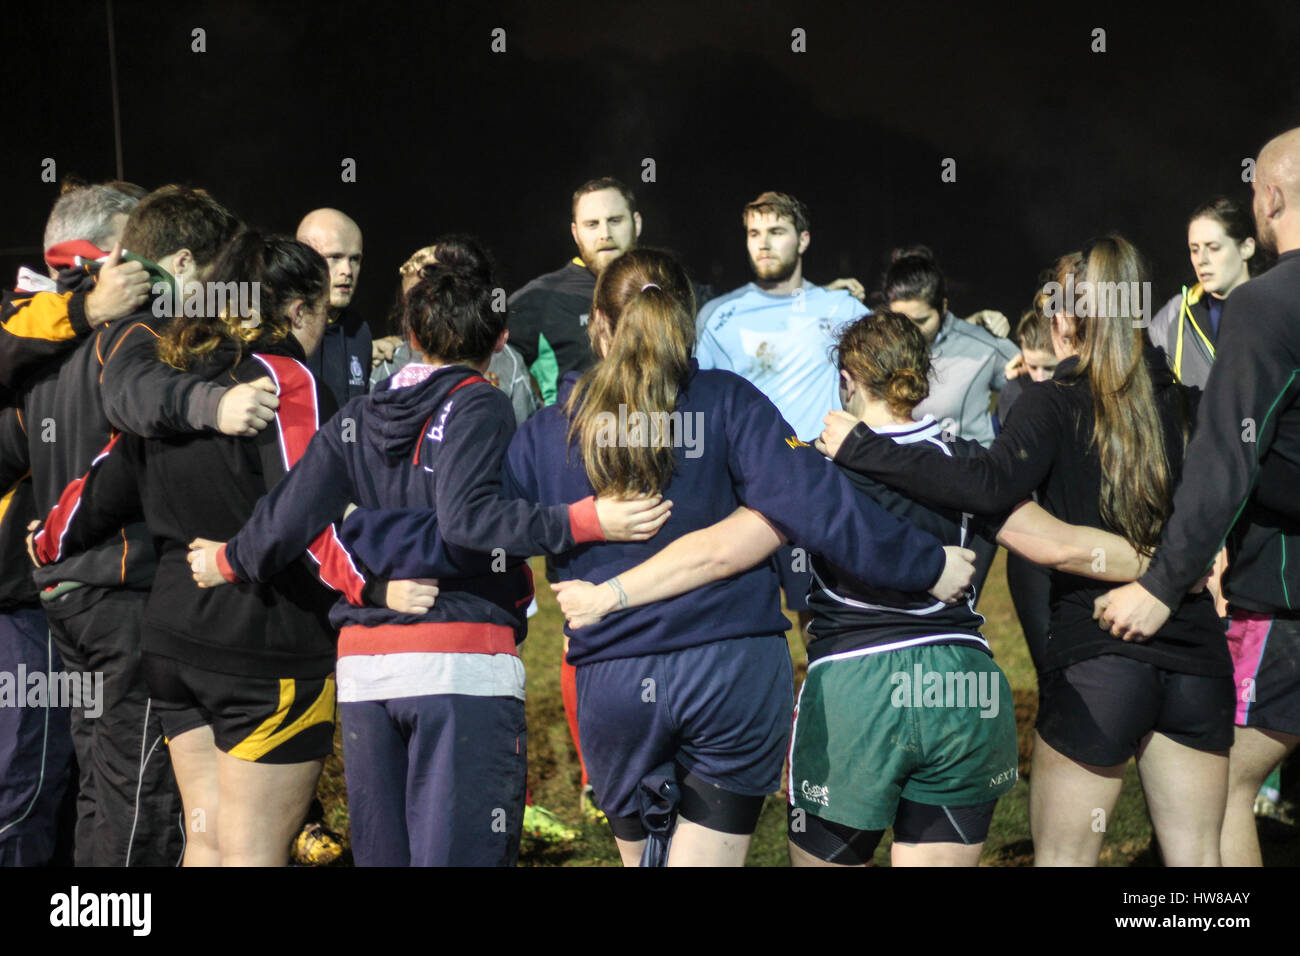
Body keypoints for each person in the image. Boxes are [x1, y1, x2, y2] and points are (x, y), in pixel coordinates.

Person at [338, 248, 978, 866]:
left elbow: (468, 528)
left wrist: (365, 537)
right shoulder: (728, 400)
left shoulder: (544, 432)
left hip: (614, 682)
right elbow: (820, 503)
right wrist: (925, 565)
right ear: (686, 321)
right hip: (730, 668)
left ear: (597, 325)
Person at [549, 309, 1157, 867]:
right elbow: (1065, 547)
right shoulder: (973, 466)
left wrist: (612, 594)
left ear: (847, 381)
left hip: (857, 691)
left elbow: (716, 553)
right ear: (921, 377)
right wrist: (1169, 566)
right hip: (963, 689)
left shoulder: (812, 470)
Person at [185, 243, 669, 866]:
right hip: (458, 663)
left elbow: (288, 513)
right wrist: (583, 519)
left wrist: (228, 560)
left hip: (365, 673)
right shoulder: (481, 403)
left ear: (411, 334)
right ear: (500, 338)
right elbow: (470, 521)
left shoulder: (357, 414)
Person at [820, 235, 1233, 866]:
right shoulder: (1187, 404)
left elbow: (986, 486)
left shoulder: (1055, 402)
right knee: (1200, 864)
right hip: (1197, 660)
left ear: (1067, 317)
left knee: (1065, 859)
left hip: (1098, 656)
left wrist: (863, 450)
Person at [28, 233, 365, 866]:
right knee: (253, 853)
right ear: (298, 310)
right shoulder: (284, 376)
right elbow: (307, 515)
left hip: (175, 643)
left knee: (206, 844)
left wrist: (48, 538)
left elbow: (104, 485)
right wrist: (369, 589)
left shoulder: (174, 383)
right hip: (265, 644)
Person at [1, 184, 287, 866]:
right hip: (121, 593)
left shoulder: (49, 358)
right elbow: (136, 401)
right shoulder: (130, 333)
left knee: (98, 790)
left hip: (67, 592)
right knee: (140, 803)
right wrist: (214, 404)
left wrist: (50, 542)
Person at [1098, 128, 1300, 866]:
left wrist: (1162, 580)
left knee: (1216, 785)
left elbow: (1226, 459)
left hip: (1286, 596)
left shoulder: (1265, 304)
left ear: (1269, 199)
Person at [694, 191, 869, 641]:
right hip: (742, 491)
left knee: (824, 621)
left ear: (804, 239)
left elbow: (892, 369)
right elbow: (700, 404)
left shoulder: (842, 310)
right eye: (754, 233)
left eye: (776, 231)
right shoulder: (718, 317)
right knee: (741, 616)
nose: (763, 243)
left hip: (818, 482)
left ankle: (820, 703)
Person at [372, 239, 538, 425]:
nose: (422, 310)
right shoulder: (389, 362)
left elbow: (524, 438)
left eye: (431, 298)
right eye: (412, 301)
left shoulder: (506, 361)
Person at [879, 246, 1020, 449]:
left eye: (921, 320)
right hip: (897, 473)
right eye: (900, 319)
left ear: (943, 307)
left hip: (965, 472)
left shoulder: (983, 346)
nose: (910, 330)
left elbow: (1037, 388)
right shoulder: (877, 348)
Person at [996, 305, 1059, 674]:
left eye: (1048, 367)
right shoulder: (1014, 392)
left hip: (1080, 536)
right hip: (1031, 544)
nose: (1038, 377)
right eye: (1031, 366)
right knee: (1047, 663)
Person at [1148, 197, 1259, 391]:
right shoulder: (1175, 314)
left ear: (1246, 248)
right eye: (1194, 250)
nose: (1202, 260)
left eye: (1213, 248)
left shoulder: (1276, 309)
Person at [297, 209, 373, 408]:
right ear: (304, 258)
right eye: (335, 257)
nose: (347, 271)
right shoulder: (276, 329)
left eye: (355, 259)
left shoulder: (359, 331)